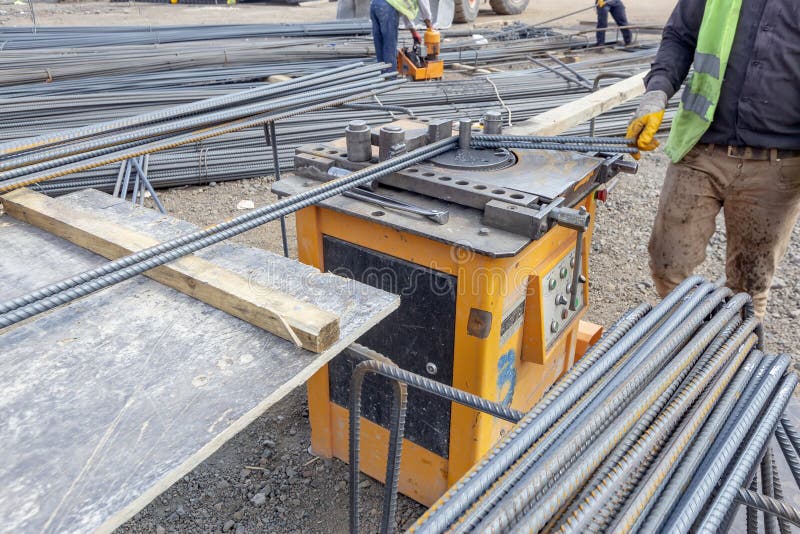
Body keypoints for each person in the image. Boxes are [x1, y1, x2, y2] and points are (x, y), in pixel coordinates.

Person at [627, 0, 800, 321]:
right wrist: (657, 92)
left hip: (777, 166)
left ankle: (738, 355)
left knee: (749, 286)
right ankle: (686, 341)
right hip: (700, 147)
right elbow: (680, 37)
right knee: (668, 264)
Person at [370, 0, 432, 73]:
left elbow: (405, 11)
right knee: (389, 45)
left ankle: (381, 75)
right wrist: (429, 26)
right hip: (387, 7)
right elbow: (424, 6)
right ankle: (390, 78)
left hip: (375, 5)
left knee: (379, 44)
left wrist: (413, 32)